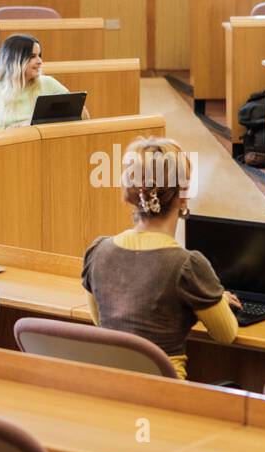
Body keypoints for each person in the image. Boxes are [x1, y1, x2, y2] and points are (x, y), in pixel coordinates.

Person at [81, 137, 239, 380]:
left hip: (111, 392)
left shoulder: (97, 251)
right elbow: (226, 334)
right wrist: (211, 299)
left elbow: (101, 320)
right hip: (166, 396)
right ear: (183, 196)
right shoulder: (188, 266)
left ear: (129, 195)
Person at [0, 34, 89, 131]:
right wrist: (15, 129)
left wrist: (41, 124)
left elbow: (84, 117)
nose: (40, 61)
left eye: (39, 55)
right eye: (32, 56)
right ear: (15, 60)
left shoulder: (49, 83)